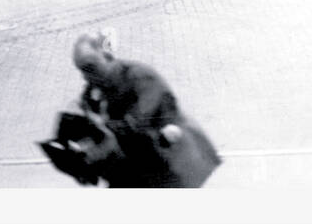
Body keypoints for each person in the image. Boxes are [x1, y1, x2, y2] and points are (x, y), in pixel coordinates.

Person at [50, 33, 220, 188]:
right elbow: (91, 118)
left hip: (169, 162)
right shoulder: (96, 87)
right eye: (82, 70)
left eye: (90, 68)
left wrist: (100, 124)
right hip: (136, 162)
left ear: (106, 56)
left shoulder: (141, 77)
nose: (86, 76)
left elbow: (136, 122)